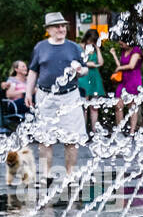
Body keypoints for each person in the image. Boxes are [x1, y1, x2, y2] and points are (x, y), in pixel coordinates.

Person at [24, 12, 87, 186]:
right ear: (49, 29)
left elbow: (85, 68)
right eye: (57, 26)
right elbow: (33, 71)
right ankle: (46, 174)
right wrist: (28, 93)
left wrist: (80, 70)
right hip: (46, 96)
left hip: (70, 95)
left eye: (63, 26)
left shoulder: (73, 47)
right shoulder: (40, 47)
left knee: (72, 138)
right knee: (45, 138)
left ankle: (70, 174)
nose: (61, 29)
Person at [111, 35, 143, 134]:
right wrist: (113, 55)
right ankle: (120, 129)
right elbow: (120, 66)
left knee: (132, 106)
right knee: (118, 105)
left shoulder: (136, 51)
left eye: (122, 44)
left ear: (128, 42)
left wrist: (119, 69)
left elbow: (131, 65)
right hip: (124, 81)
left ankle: (132, 131)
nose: (121, 46)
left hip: (133, 80)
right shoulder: (123, 51)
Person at [77, 29, 107, 135]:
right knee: (84, 105)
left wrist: (98, 48)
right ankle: (83, 130)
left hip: (94, 76)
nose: (91, 42)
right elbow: (78, 61)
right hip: (84, 77)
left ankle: (94, 130)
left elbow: (101, 62)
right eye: (90, 40)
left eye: (93, 40)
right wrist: (88, 64)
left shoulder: (95, 48)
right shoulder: (80, 46)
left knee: (94, 106)